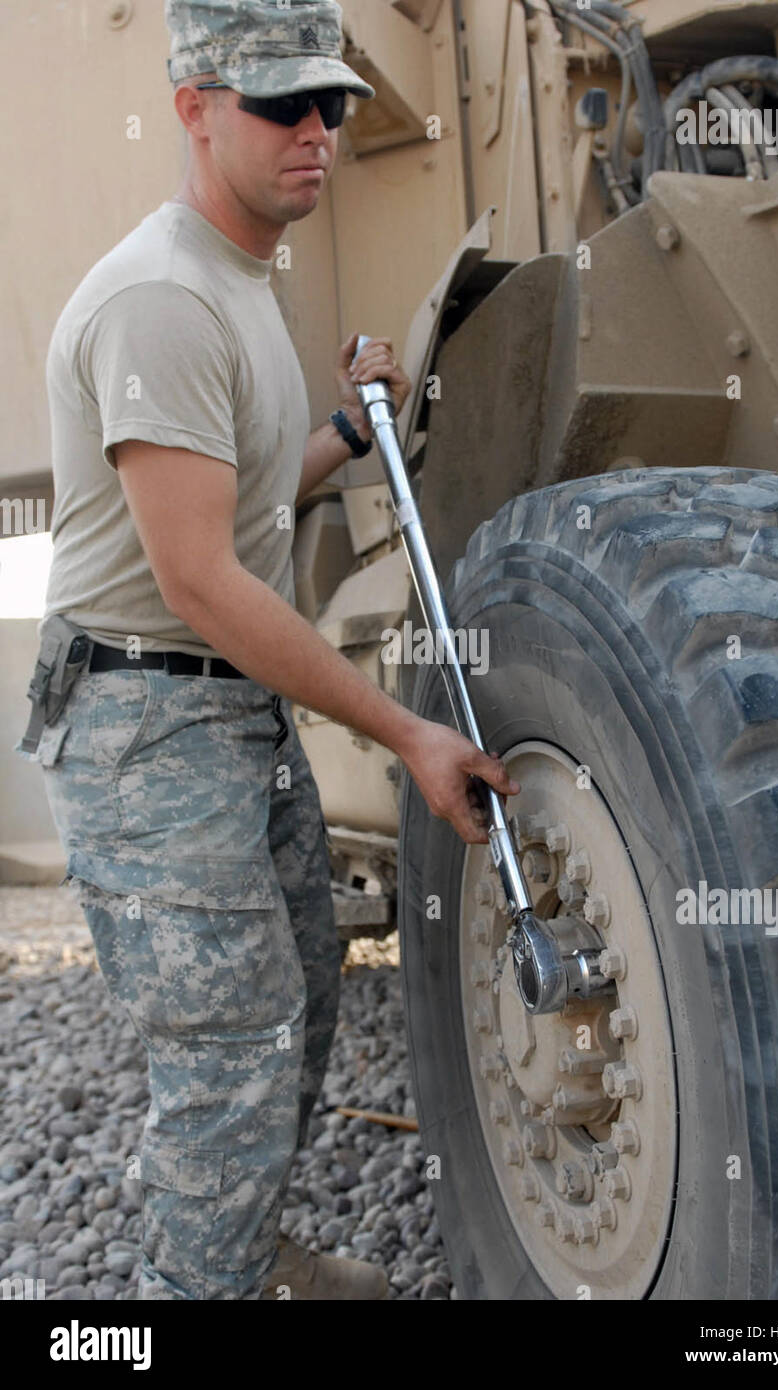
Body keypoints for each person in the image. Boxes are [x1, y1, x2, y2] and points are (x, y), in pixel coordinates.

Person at [15, 0, 519, 1301]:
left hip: (226, 715)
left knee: (294, 1001)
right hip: (147, 723)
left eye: (333, 104)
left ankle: (248, 1255)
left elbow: (240, 501)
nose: (317, 133)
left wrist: (350, 434)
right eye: (279, 106)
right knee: (227, 1058)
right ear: (191, 106)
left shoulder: (240, 281)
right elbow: (198, 577)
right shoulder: (160, 298)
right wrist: (406, 731)